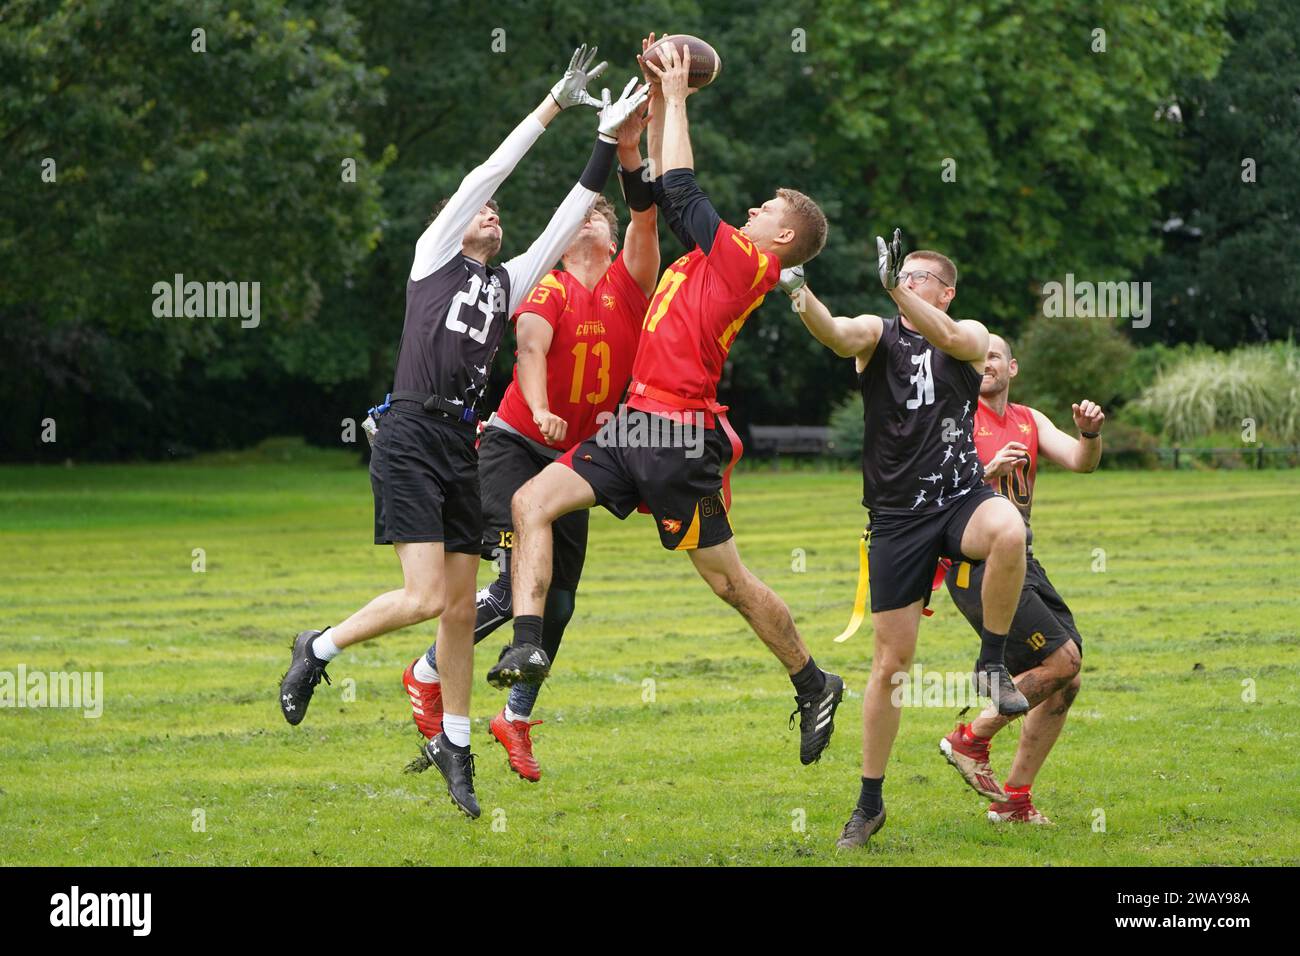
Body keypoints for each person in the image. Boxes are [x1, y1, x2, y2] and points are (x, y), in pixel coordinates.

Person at [278, 45, 647, 820]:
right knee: (423, 597)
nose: (491, 215)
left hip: (461, 442)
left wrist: (606, 146)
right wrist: (555, 103)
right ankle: (316, 649)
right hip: (411, 430)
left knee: (455, 608)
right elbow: (493, 171)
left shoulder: (507, 280)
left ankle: (455, 742)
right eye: (480, 213)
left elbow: (558, 223)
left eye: (494, 219)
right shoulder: (435, 256)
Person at [492, 40, 844, 768]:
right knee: (531, 503)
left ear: (783, 236)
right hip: (632, 427)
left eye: (766, 207)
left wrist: (678, 95)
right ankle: (527, 647)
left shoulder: (751, 261)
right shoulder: (716, 258)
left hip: (681, 440)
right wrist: (642, 123)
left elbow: (681, 189)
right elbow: (653, 194)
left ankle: (814, 682)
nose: (752, 206)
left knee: (728, 583)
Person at [405, 93, 661, 783]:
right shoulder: (545, 288)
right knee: (509, 578)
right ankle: (427, 674)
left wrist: (651, 124)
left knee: (563, 602)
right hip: (518, 443)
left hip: (575, 462)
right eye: (579, 214)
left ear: (609, 239)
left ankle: (513, 717)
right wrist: (542, 408)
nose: (587, 221)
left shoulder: (631, 286)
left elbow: (646, 211)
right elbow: (530, 348)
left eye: (597, 218)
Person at [783, 232, 1031, 850]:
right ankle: (869, 803)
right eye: (903, 273)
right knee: (891, 665)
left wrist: (894, 283)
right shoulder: (879, 331)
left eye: (919, 275)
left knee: (1008, 528)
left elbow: (949, 338)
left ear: (945, 291)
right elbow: (838, 333)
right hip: (896, 517)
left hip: (958, 497)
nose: (905, 280)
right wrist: (798, 289)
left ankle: (993, 662)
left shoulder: (968, 334)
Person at [938, 334, 1102, 824]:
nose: (984, 363)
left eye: (994, 356)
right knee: (1063, 660)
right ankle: (969, 739)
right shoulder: (955, 420)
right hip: (978, 565)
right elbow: (935, 497)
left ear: (1012, 368)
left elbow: (1080, 462)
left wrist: (1090, 434)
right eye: (976, 356)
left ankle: (1014, 802)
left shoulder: (1029, 420)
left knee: (1065, 682)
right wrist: (985, 471)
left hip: (1026, 562)